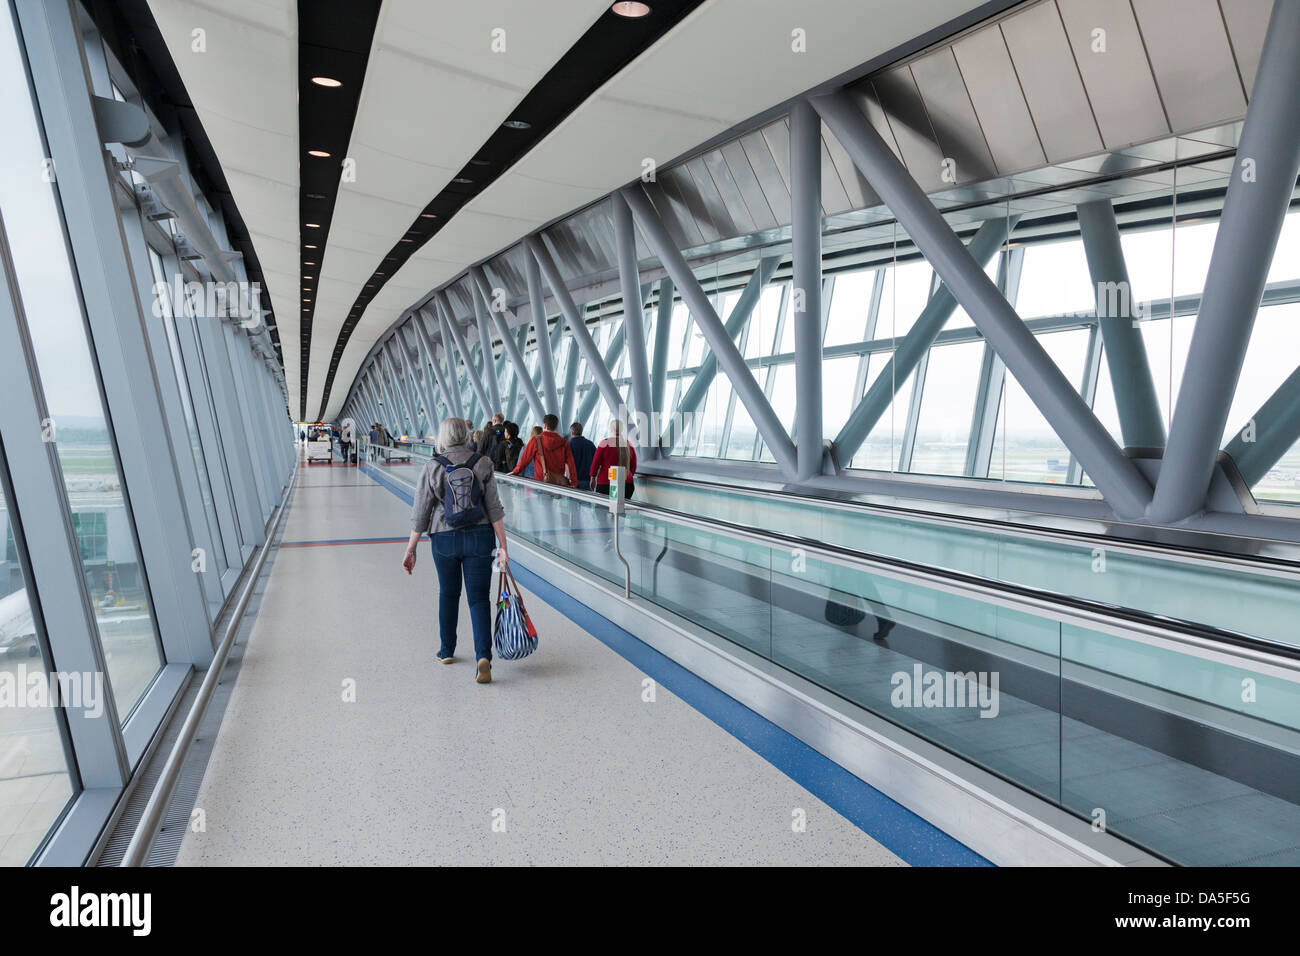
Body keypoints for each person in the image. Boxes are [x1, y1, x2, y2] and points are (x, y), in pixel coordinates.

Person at [403, 416, 509, 685]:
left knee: (448, 594)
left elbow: (421, 512)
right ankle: (483, 657)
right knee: (478, 599)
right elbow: (495, 508)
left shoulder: (432, 466)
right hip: (480, 536)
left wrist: (411, 548)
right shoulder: (482, 463)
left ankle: (447, 650)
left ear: (443, 437)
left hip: (444, 537)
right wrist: (503, 547)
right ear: (466, 434)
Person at [512, 415, 578, 487]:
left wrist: (514, 472)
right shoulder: (564, 443)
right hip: (557, 484)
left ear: (544, 425)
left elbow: (524, 460)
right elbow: (571, 464)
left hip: (540, 482)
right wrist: (574, 482)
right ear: (556, 427)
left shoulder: (536, 440)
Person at [591, 418, 637, 499]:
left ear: (611, 429)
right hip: (627, 484)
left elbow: (596, 463)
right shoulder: (629, 444)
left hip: (606, 484)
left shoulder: (604, 443)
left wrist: (592, 477)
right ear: (622, 430)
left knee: (602, 510)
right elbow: (633, 466)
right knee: (620, 510)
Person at [568, 422, 597, 492]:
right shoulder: (590, 444)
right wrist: (593, 478)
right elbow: (596, 462)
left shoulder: (569, 445)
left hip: (573, 480)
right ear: (581, 432)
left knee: (572, 502)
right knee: (586, 502)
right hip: (587, 480)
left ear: (571, 433)